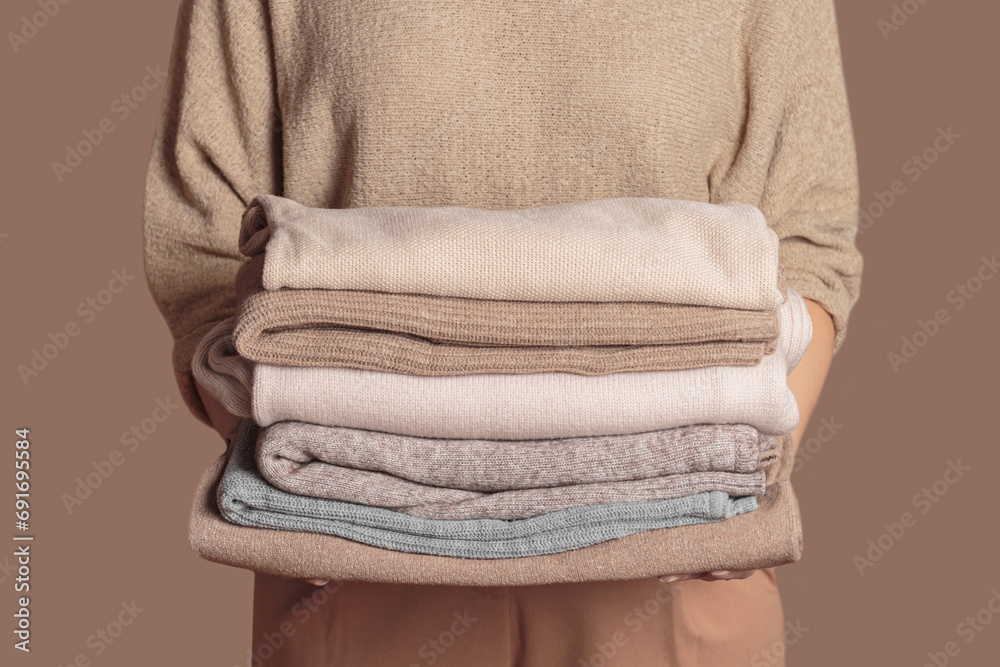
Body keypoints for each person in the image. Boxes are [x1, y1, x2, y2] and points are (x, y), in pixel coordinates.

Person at [142, 0, 862, 664]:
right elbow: (200, 235)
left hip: (675, 580)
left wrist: (730, 484)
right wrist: (304, 483)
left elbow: (808, 240)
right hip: (351, 573)